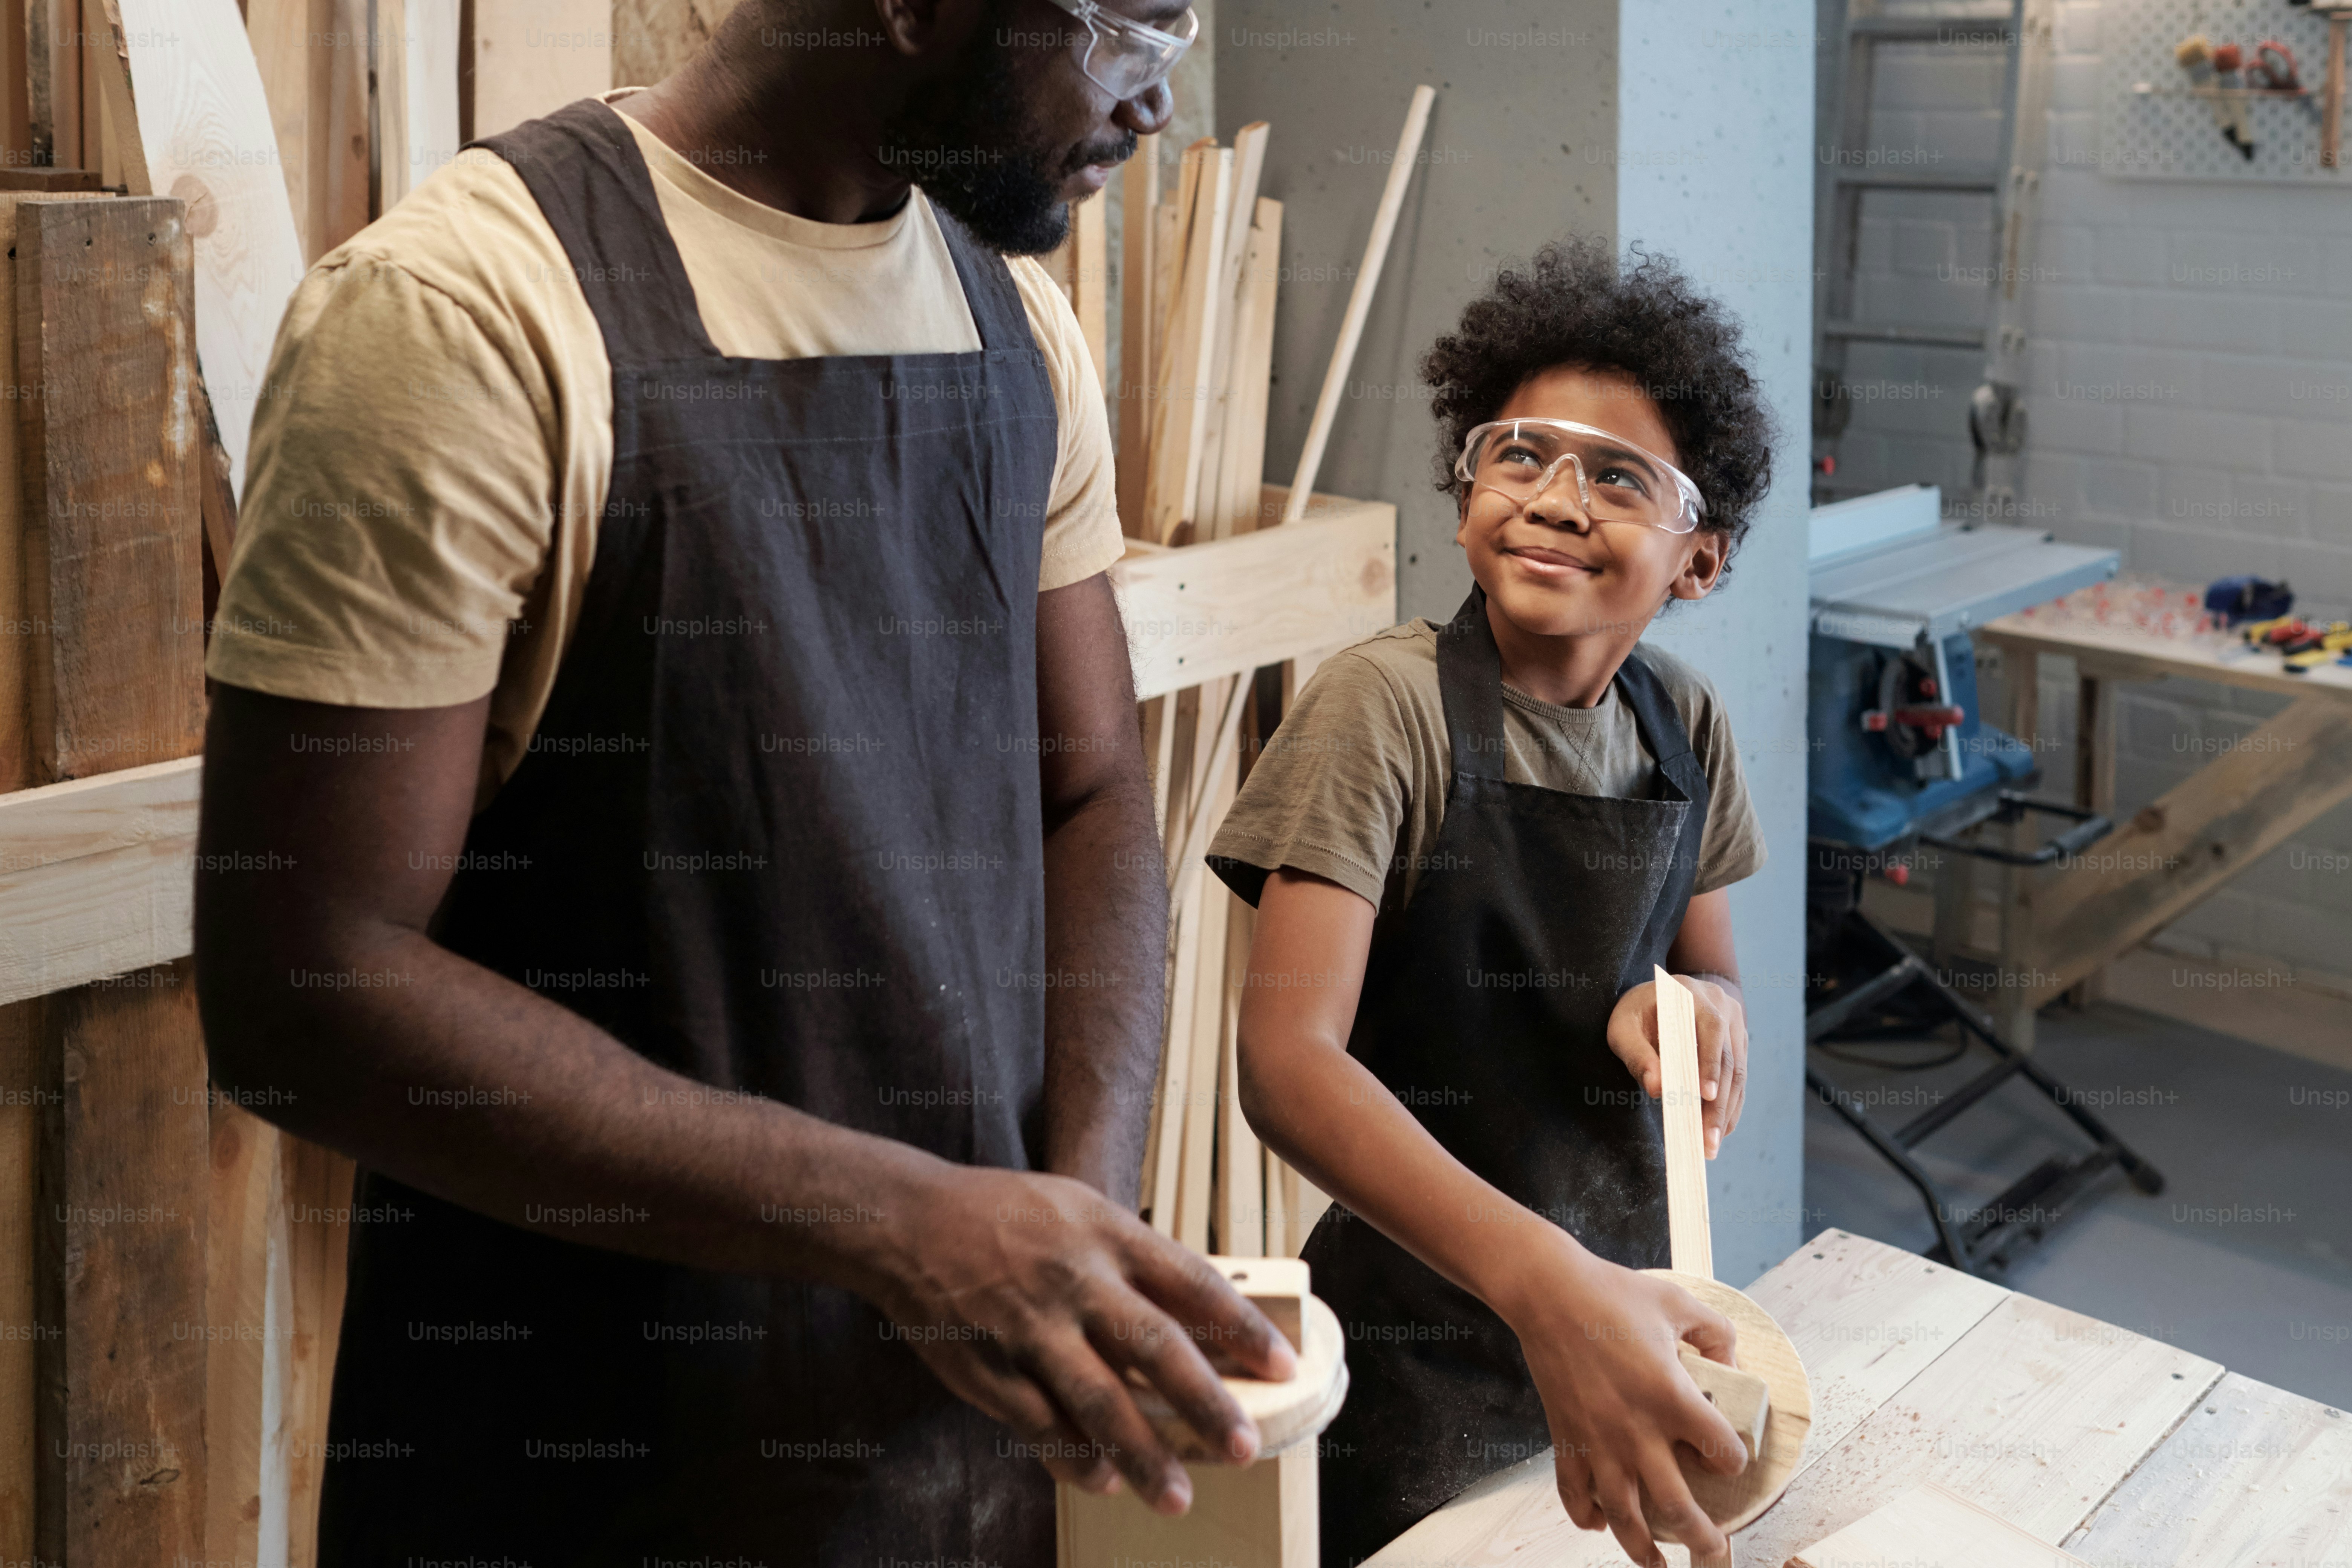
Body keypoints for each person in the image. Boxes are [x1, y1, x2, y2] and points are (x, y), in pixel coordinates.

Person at [191, 2, 1296, 1564]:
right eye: (1127, 29)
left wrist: (1076, 1220)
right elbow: (303, 983)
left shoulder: (1015, 328)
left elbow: (1094, 787)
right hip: (578, 1469)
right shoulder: (465, 317)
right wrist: (909, 1227)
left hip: (949, 1461)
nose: (1152, 108)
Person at [1205, 238, 1777, 1568]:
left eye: (1620, 478)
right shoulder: (1384, 708)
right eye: (1519, 454)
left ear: (1699, 558)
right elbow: (1287, 1066)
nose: (1558, 500)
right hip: (1428, 1338)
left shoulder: (1684, 725)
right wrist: (1539, 1287)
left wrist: (1700, 1012)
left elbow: (1713, 977)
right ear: (1466, 490)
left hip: (1632, 1297)